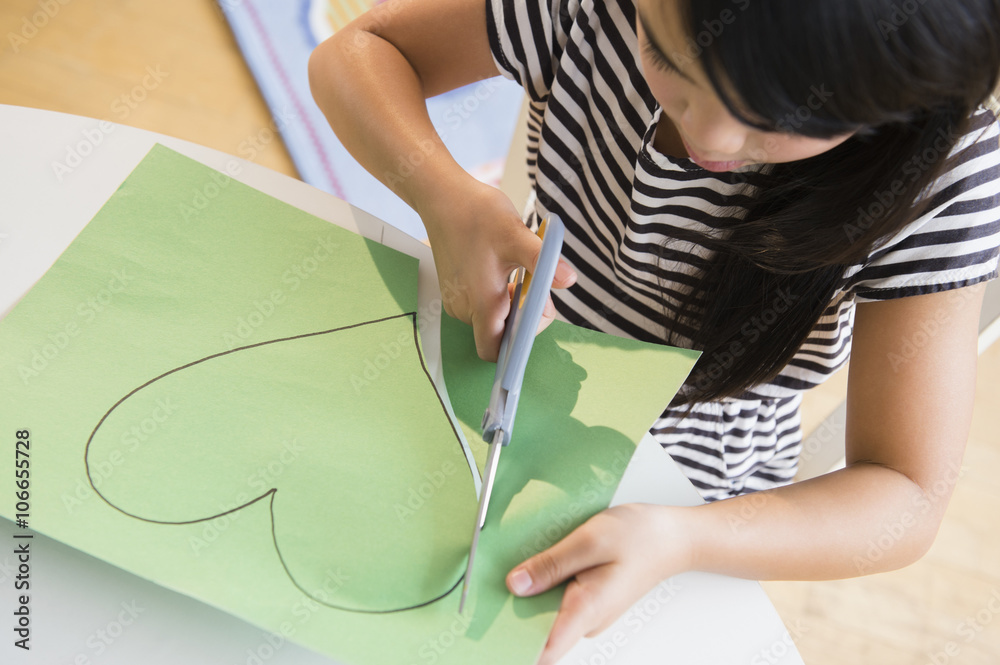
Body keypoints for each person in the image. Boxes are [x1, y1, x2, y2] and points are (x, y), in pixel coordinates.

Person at [309, 0, 1000, 661]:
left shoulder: (942, 174)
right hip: (505, 360)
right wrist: (445, 194)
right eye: (671, 58)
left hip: (699, 493)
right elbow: (357, 52)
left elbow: (906, 494)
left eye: (787, 114)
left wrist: (682, 538)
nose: (712, 136)